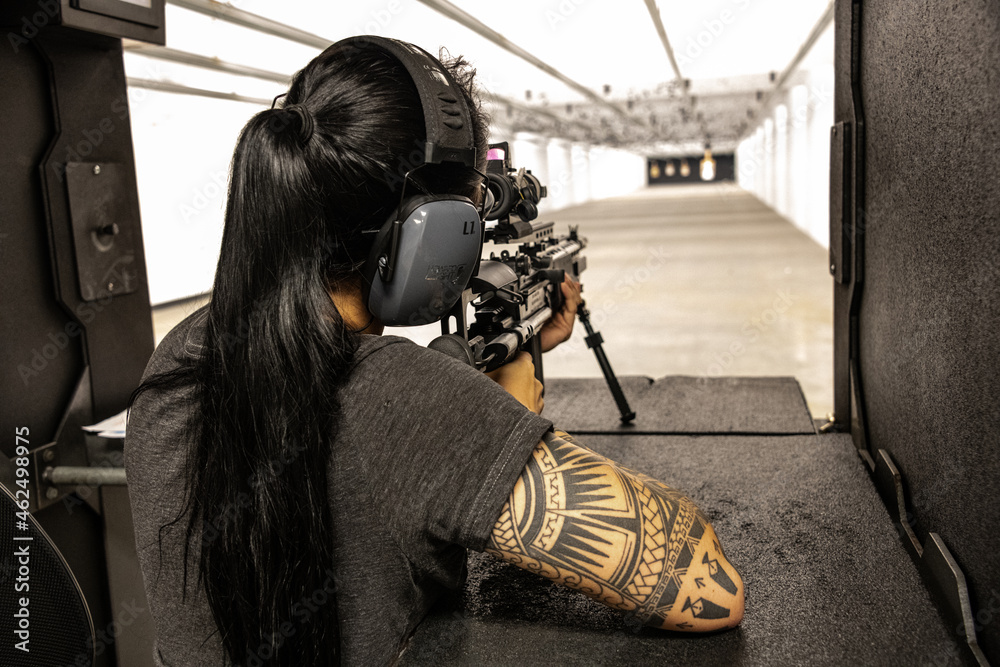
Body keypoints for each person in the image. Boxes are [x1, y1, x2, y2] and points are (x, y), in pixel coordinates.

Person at [124, 36, 744, 667]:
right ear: (436, 234)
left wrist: (478, 369)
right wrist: (486, 410)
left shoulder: (177, 359)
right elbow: (710, 585)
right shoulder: (405, 399)